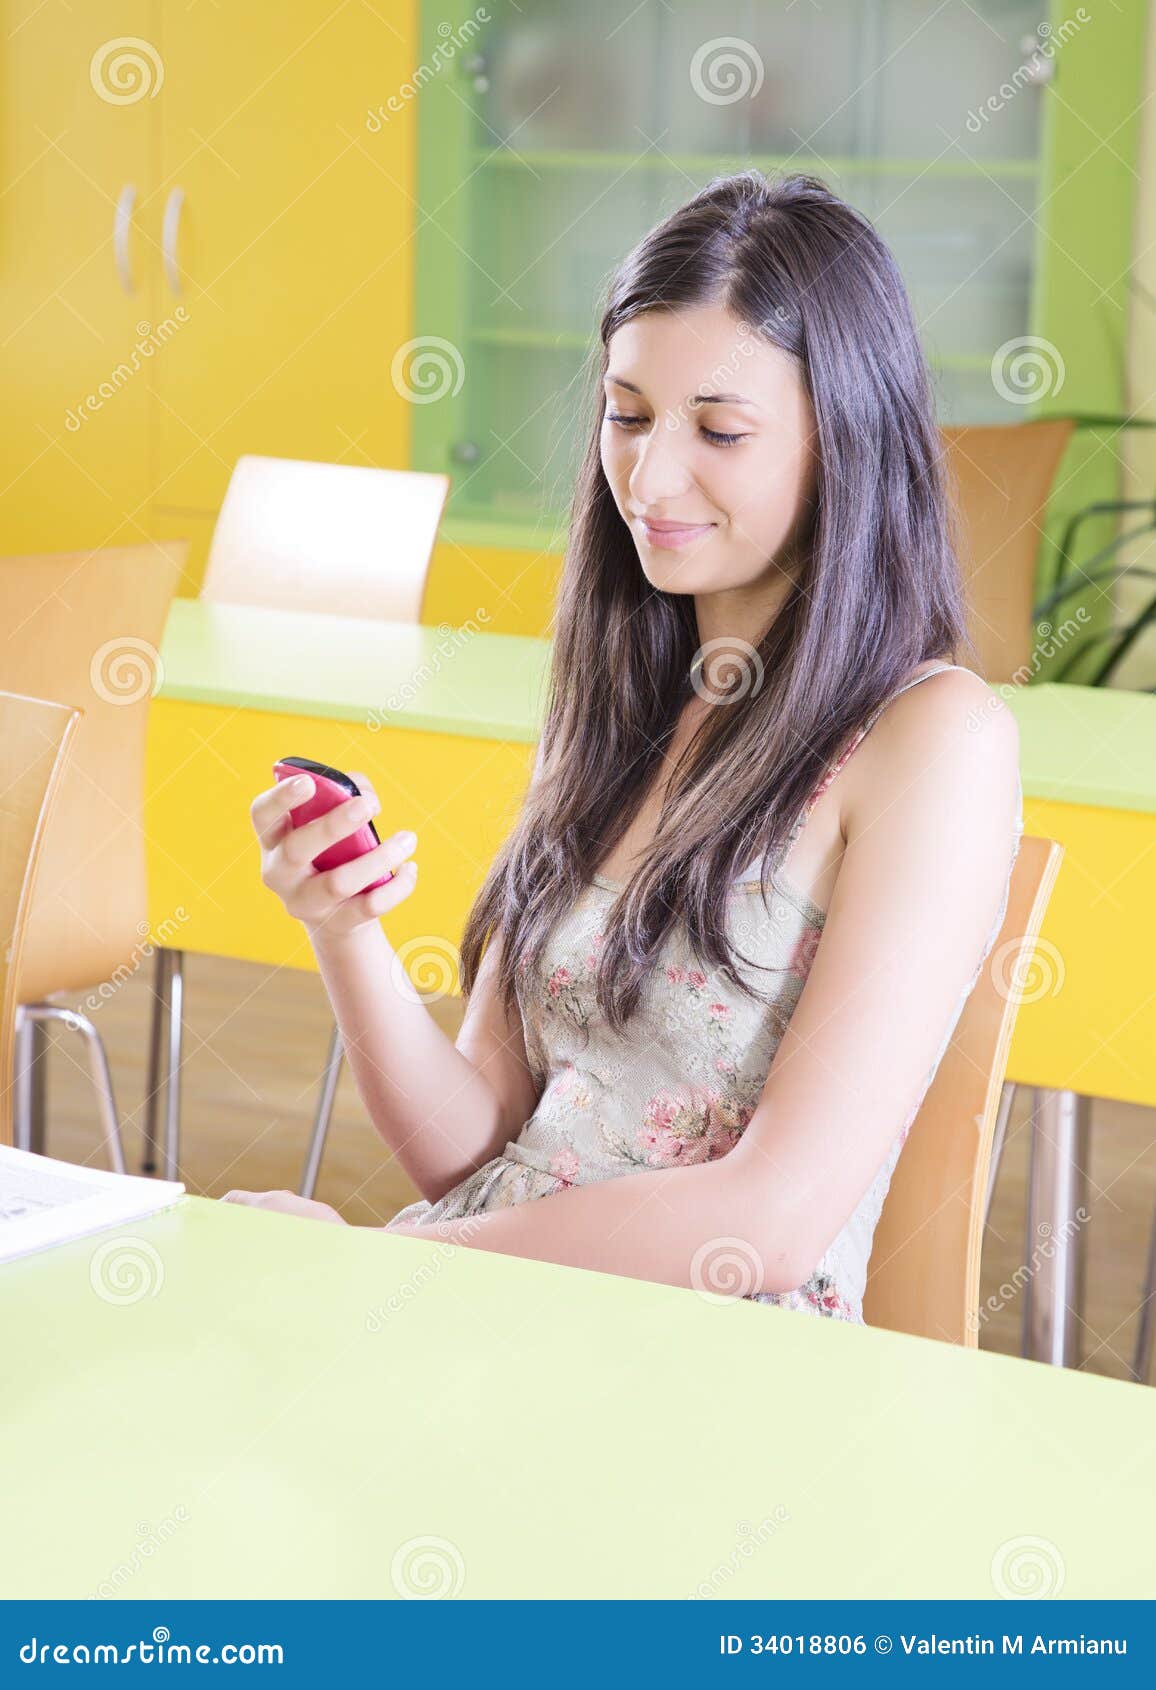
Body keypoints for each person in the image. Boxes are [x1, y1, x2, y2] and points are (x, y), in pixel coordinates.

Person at [225, 169, 1022, 1324]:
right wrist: (344, 928)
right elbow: (470, 1145)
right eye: (628, 414)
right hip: (485, 1297)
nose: (649, 479)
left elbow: (771, 1218)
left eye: (721, 429)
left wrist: (379, 1271)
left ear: (845, 434)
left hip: (698, 1360)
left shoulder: (931, 741)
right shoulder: (625, 704)